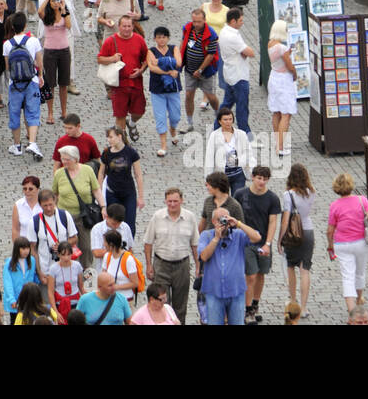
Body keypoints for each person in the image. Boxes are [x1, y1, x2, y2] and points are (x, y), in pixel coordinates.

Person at [142, 187, 199, 324]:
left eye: (175, 201)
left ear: (182, 201)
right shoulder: (157, 217)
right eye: (169, 201)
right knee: (160, 302)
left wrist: (198, 265)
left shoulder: (190, 217)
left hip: (182, 265)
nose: (172, 204)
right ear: (165, 201)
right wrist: (149, 265)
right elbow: (148, 243)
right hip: (161, 264)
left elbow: (195, 244)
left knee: (180, 305)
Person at [196, 206, 261, 325]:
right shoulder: (206, 235)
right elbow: (204, 257)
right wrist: (216, 238)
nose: (222, 222)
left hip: (236, 291)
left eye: (225, 219)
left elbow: (257, 237)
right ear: (213, 221)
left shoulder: (238, 235)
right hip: (213, 292)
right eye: (219, 219)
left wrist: (238, 223)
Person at [234, 165, 281, 325]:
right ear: (252, 177)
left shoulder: (272, 198)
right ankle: (247, 311)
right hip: (246, 243)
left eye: (265, 179)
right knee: (251, 275)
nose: (261, 181)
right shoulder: (241, 194)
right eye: (259, 178)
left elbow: (273, 222)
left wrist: (268, 243)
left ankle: (255, 305)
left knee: (261, 275)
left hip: (263, 243)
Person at [326, 172, 368, 312]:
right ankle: (359, 298)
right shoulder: (362, 200)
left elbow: (330, 230)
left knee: (347, 276)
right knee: (360, 273)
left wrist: (330, 245)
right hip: (361, 243)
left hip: (342, 245)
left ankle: (352, 311)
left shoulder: (334, 205)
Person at [97, 14, 150, 143]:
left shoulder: (139, 40)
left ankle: (131, 123)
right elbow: (100, 59)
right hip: (118, 85)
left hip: (136, 83)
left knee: (139, 111)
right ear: (119, 27)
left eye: (129, 26)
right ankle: (123, 143)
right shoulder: (110, 41)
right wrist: (112, 58)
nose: (126, 29)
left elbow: (147, 59)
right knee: (120, 115)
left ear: (133, 27)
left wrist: (141, 70)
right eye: (124, 26)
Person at [50, 146, 104, 269]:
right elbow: (55, 195)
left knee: (86, 246)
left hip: (83, 217)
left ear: (75, 159)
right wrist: (52, 212)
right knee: (68, 246)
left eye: (67, 159)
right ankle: (72, 271)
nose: (64, 162)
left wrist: (103, 206)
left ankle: (87, 271)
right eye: (62, 159)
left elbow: (96, 190)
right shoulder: (59, 174)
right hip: (66, 217)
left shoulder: (87, 170)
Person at [3, 12, 44, 160]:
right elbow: (39, 62)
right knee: (32, 112)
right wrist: (40, 76)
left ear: (12, 27)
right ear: (25, 25)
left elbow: (8, 67)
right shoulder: (33, 41)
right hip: (31, 82)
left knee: (14, 113)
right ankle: (32, 142)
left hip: (15, 84)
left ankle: (17, 145)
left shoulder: (7, 44)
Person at [279, 162, 317, 319]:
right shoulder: (311, 192)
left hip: (293, 234)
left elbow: (286, 219)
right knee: (305, 269)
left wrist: (280, 239)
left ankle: (293, 301)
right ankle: (304, 306)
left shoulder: (288, 195)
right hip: (308, 230)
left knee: (290, 267)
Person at [177, 7, 220, 131]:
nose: (196, 24)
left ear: (204, 20)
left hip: (206, 71)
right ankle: (189, 123)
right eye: (194, 21)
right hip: (190, 70)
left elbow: (211, 55)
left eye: (199, 22)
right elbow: (183, 42)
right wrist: (180, 58)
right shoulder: (187, 28)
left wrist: (200, 70)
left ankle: (218, 115)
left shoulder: (211, 34)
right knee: (189, 95)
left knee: (211, 96)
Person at [217, 8, 255, 138]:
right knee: (242, 108)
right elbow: (250, 52)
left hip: (230, 74)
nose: (242, 23)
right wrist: (244, 53)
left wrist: (243, 52)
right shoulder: (233, 36)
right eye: (240, 20)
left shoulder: (224, 31)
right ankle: (246, 135)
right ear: (233, 21)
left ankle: (216, 129)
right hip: (239, 77)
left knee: (226, 103)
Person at [145, 26, 183, 157]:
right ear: (155, 38)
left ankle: (173, 129)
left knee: (175, 116)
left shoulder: (174, 48)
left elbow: (178, 62)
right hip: (157, 90)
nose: (161, 40)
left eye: (164, 37)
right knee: (160, 117)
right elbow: (152, 67)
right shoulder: (151, 51)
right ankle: (163, 145)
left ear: (168, 38)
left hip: (173, 89)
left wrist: (160, 61)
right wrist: (167, 69)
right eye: (159, 37)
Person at [100, 126, 144, 235]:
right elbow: (101, 173)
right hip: (112, 193)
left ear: (119, 136)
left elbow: (138, 175)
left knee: (130, 224)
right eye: (108, 137)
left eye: (111, 137)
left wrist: (141, 197)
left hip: (128, 193)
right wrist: (100, 197)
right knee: (113, 223)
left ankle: (128, 248)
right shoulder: (106, 153)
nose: (109, 140)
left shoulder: (131, 152)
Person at [204, 106, 254, 196]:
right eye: (225, 120)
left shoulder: (241, 134)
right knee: (224, 202)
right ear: (220, 121)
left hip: (238, 174)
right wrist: (208, 177)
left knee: (238, 201)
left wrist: (252, 170)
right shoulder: (214, 136)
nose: (228, 122)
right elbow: (209, 157)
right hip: (222, 177)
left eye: (230, 119)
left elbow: (248, 153)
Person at [266, 19, 298, 157]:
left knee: (276, 112)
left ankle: (277, 144)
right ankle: (280, 146)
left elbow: (280, 58)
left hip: (274, 77)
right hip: (284, 80)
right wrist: (295, 74)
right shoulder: (282, 48)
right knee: (286, 113)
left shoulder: (271, 43)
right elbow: (289, 66)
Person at [31, 186, 78, 277]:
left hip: (66, 268)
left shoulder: (64, 215)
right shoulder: (34, 222)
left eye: (50, 204)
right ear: (40, 204)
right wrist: (39, 273)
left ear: (55, 201)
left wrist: (62, 245)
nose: (48, 208)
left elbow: (74, 238)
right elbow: (32, 250)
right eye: (45, 205)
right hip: (46, 271)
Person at [1, 237, 41, 324]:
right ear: (17, 249)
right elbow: (8, 283)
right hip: (16, 301)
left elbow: (33, 278)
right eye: (23, 248)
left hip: (28, 299)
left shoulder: (32, 260)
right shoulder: (9, 264)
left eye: (27, 248)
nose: (26, 251)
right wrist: (12, 300)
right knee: (15, 321)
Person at [47, 240, 83, 319]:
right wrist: (55, 311)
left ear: (71, 254)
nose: (66, 258)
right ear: (58, 254)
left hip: (76, 302)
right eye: (63, 255)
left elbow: (81, 287)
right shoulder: (53, 268)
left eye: (68, 254)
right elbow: (50, 291)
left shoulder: (77, 266)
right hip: (60, 303)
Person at [11, 175, 42, 241]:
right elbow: (15, 229)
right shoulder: (18, 205)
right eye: (25, 189)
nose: (27, 191)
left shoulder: (44, 204)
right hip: (25, 245)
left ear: (37, 189)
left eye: (30, 189)